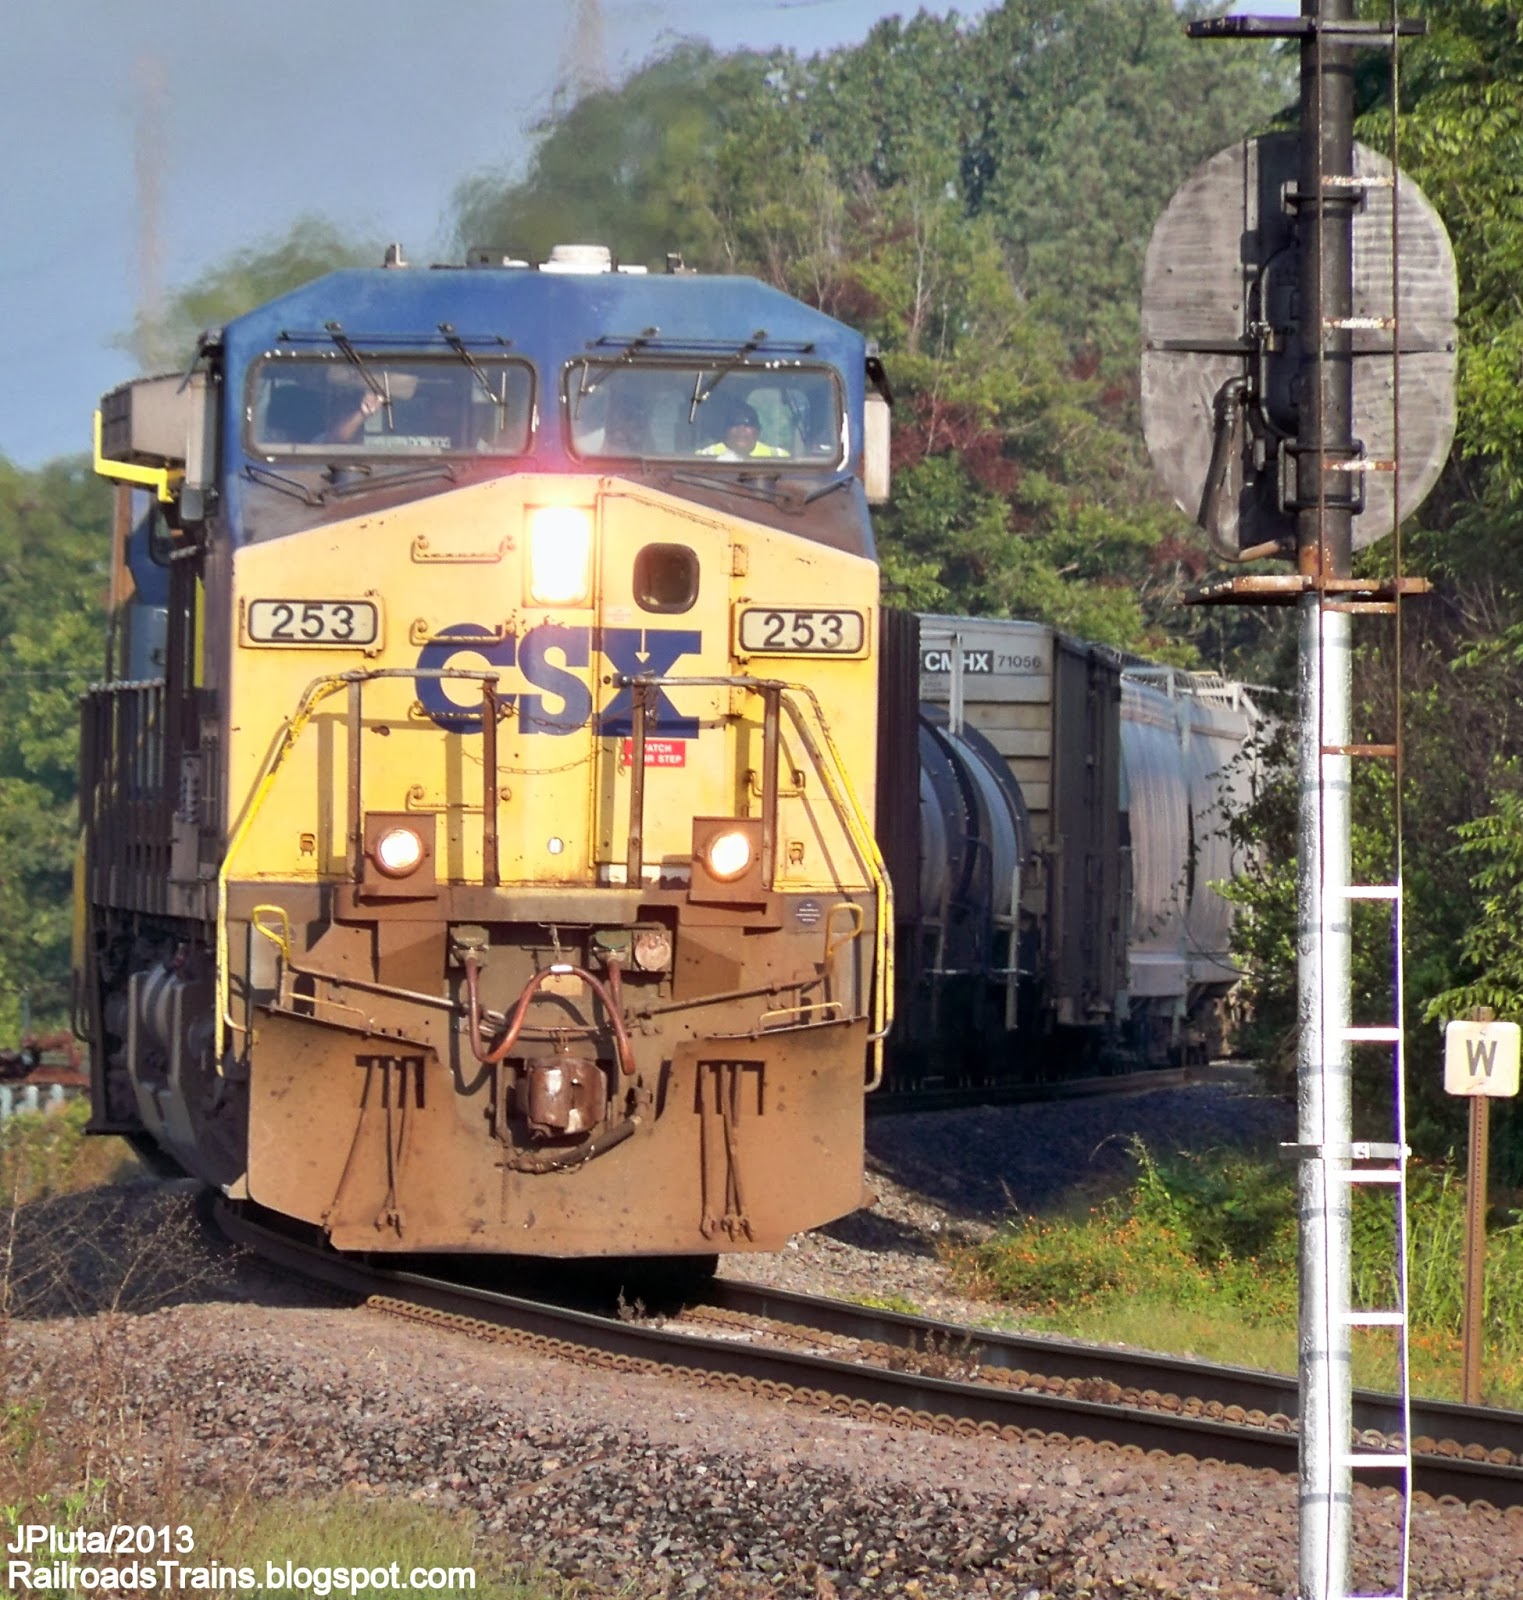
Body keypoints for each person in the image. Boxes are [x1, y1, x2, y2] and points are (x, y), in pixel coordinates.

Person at [697, 403, 790, 461]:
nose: (741, 428)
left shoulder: (781, 457)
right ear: (726, 430)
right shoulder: (705, 456)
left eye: (748, 423)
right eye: (735, 422)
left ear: (758, 430)